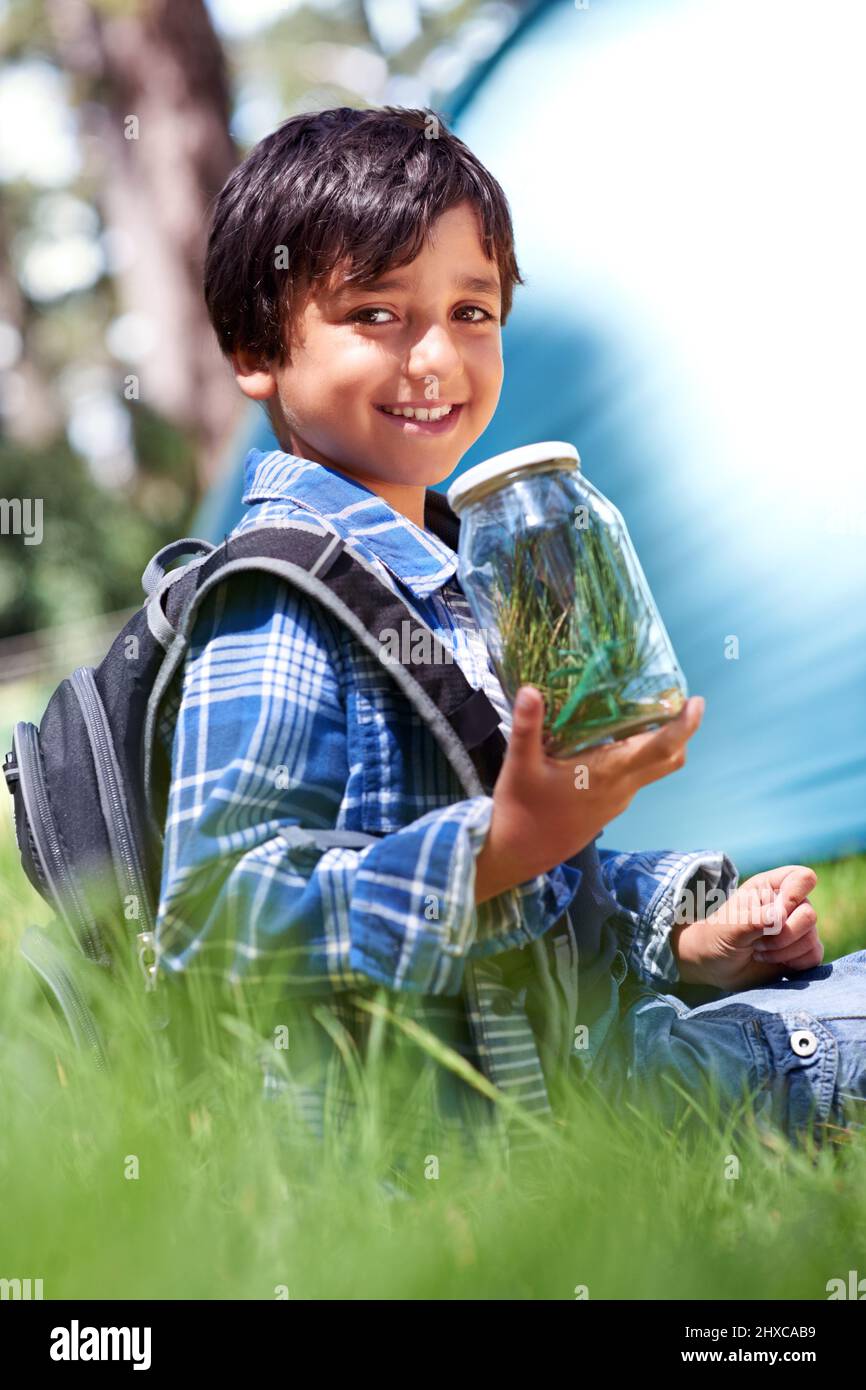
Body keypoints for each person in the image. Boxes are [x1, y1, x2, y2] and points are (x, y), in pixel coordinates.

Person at [153, 106, 864, 1163]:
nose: (435, 356)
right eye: (376, 313)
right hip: (459, 1155)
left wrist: (687, 933)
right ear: (258, 349)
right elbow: (213, 927)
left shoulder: (440, 573)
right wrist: (498, 842)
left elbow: (534, 891)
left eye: (471, 309)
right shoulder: (283, 597)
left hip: (565, 1073)